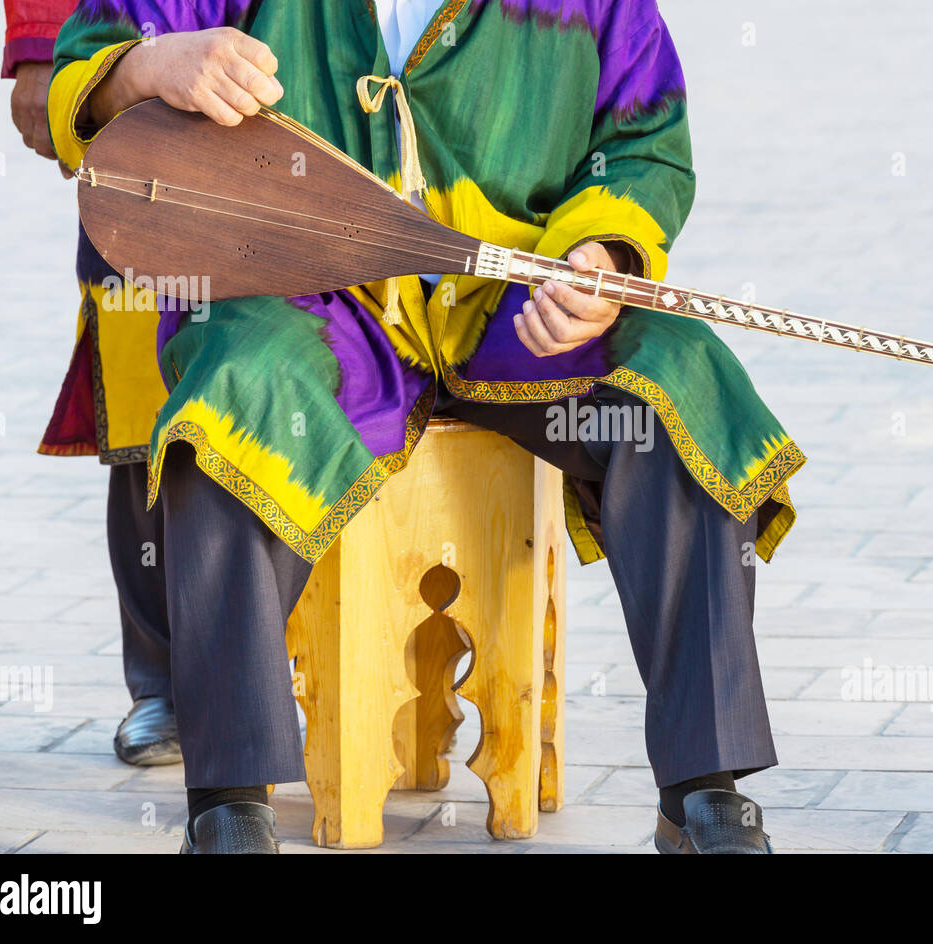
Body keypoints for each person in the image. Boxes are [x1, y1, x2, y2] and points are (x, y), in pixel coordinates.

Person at [49, 0, 805, 853]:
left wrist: (601, 259)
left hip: (516, 301)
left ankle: (703, 787)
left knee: (679, 378)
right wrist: (153, 67)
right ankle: (230, 799)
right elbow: (84, 66)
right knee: (232, 396)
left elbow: (643, 143)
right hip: (309, 301)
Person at [3, 0, 180, 767]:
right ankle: (169, 684)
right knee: (148, 390)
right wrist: (42, 43)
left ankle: (353, 671)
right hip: (142, 50)